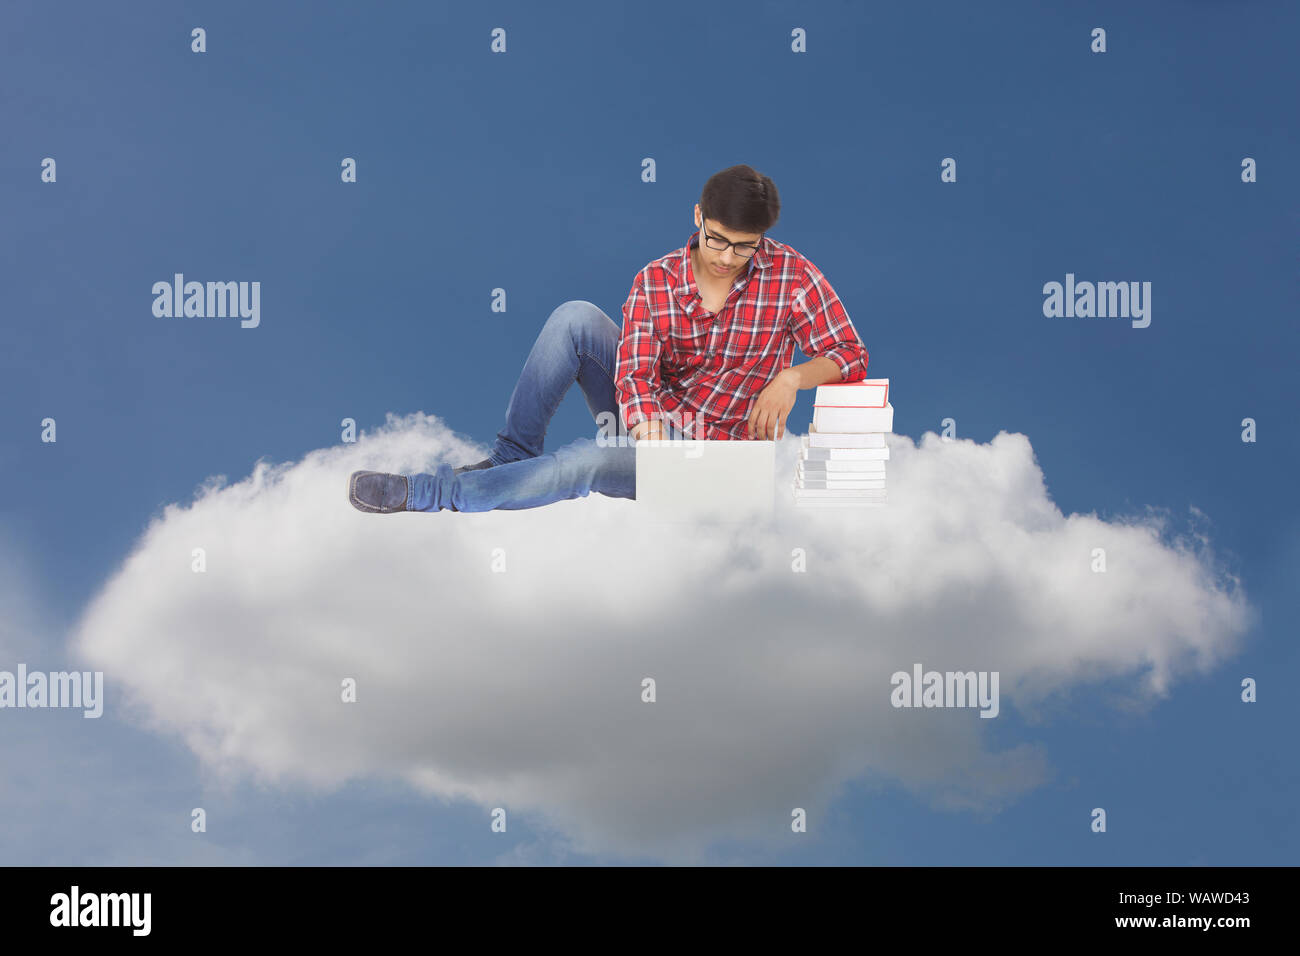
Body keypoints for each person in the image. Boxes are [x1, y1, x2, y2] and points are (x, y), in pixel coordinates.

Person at [348, 164, 869, 514]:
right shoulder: (656, 280)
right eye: (717, 240)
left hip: (721, 462)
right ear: (697, 218)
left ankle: (427, 493)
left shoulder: (789, 273)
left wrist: (792, 377)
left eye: (744, 247)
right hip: (657, 428)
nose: (727, 258)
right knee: (575, 317)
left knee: (588, 460)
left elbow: (850, 353)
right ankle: (513, 456)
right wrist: (646, 435)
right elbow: (635, 374)